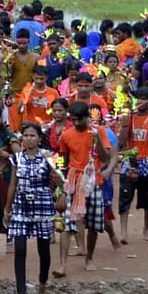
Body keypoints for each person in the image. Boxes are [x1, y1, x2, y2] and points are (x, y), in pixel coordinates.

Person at [2, 123, 62, 294]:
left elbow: (59, 180)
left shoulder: (48, 157)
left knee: (43, 249)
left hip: (43, 204)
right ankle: (22, 293)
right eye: (26, 135)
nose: (28, 139)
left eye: (32, 135)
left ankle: (42, 282)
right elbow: (13, 184)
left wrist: (57, 179)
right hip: (21, 205)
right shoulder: (17, 158)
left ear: (39, 138)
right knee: (19, 249)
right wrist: (7, 208)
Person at [57, 101, 116, 275]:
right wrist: (62, 183)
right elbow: (63, 160)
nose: (76, 123)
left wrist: (97, 139)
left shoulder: (100, 132)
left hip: (94, 182)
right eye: (73, 120)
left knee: (93, 224)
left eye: (79, 120)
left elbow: (105, 158)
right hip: (74, 182)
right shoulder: (66, 135)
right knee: (68, 224)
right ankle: (62, 264)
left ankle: (89, 257)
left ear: (87, 118)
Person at [117, 87, 148, 244]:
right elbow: (120, 142)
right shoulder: (128, 118)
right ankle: (123, 232)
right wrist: (125, 125)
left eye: (144, 98)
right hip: (130, 161)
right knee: (125, 196)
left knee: (147, 196)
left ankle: (146, 228)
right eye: (138, 98)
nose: (140, 101)